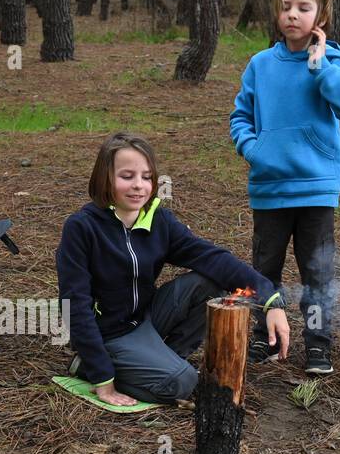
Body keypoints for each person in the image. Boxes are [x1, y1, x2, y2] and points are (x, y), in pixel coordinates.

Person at [56, 132, 290, 407]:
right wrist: (103, 380)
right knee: (184, 383)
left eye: (146, 177)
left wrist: (270, 300)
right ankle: (90, 366)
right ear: (105, 177)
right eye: (127, 176)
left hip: (145, 319)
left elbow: (211, 257)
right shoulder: (82, 228)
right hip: (108, 334)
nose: (139, 186)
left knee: (210, 287)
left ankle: (162, 359)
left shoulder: (159, 220)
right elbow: (75, 305)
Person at [229, 0, 340, 376]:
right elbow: (240, 117)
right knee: (264, 268)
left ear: (320, 18)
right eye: (286, 6)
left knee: (316, 272)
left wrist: (320, 64)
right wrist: (255, 150)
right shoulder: (260, 64)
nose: (292, 14)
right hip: (270, 187)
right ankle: (265, 338)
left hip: (316, 189)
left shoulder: (332, 64)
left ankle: (318, 345)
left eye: (303, 8)